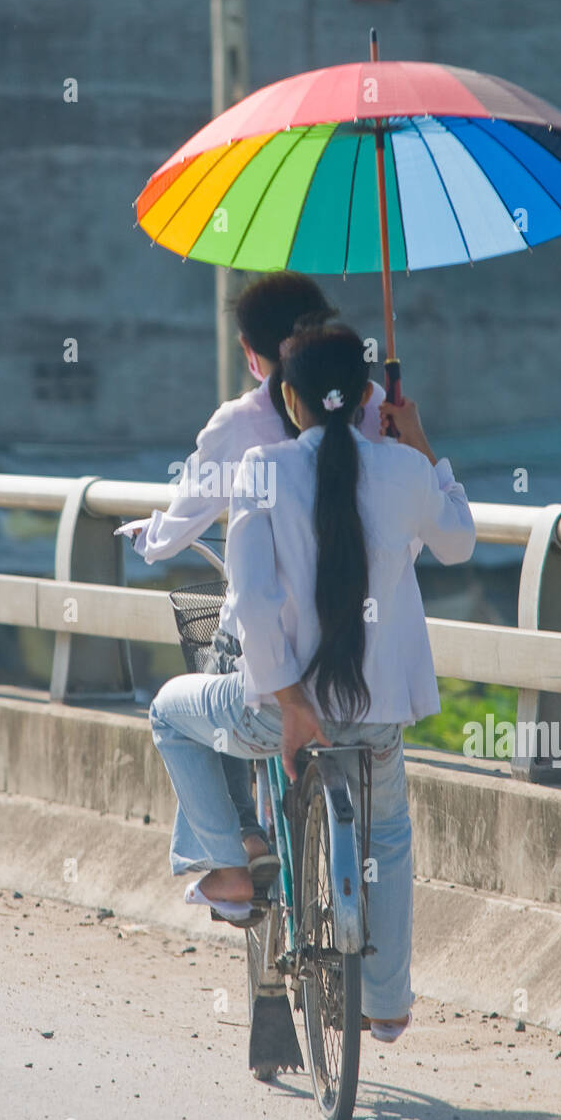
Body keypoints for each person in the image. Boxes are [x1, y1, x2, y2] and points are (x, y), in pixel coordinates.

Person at [149, 323, 476, 1041]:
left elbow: (253, 603)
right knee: (385, 834)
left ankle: (232, 869)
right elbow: (457, 541)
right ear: (367, 395)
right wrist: (418, 441)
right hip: (375, 716)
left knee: (170, 713)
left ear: (288, 398)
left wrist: (293, 704)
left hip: (275, 713)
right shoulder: (402, 469)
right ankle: (386, 1004)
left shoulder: (261, 471)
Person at [119, 272, 385, 867]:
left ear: (250, 350)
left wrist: (151, 539)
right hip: (369, 657)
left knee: (198, 690)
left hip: (274, 673)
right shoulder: (369, 411)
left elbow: (188, 514)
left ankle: (241, 848)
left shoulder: (245, 433)